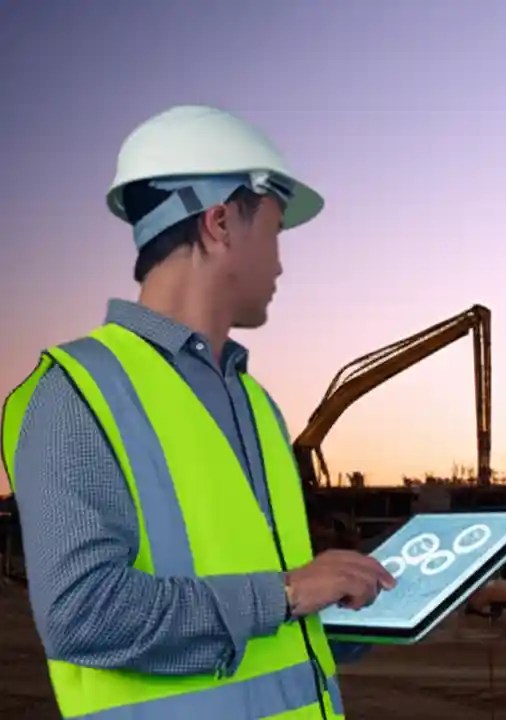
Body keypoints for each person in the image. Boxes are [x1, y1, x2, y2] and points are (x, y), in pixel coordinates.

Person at [0, 104, 396, 719]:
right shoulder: (76, 394)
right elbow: (83, 615)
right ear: (220, 224)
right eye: (274, 230)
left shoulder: (253, 401)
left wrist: (359, 601)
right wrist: (290, 592)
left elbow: (265, 624)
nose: (282, 262)